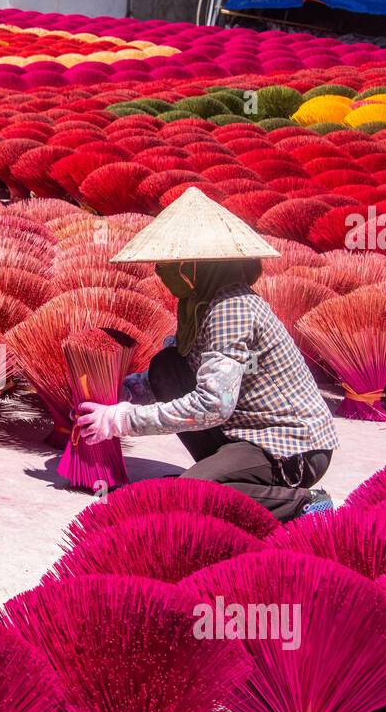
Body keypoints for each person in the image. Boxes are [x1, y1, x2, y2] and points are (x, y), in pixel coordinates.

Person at [75, 189, 338, 521]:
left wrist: (123, 420)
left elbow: (213, 404)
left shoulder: (232, 309)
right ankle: (219, 476)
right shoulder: (198, 305)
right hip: (242, 432)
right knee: (167, 367)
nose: (161, 269)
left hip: (288, 447)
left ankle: (299, 503)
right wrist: (121, 392)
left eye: (173, 262)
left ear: (198, 266)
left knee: (187, 496)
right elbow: (176, 375)